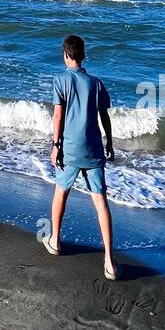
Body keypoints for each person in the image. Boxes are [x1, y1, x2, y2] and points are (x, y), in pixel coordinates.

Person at [42, 34, 117, 279]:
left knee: (61, 193)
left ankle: (55, 240)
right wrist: (110, 143)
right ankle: (109, 261)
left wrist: (55, 145)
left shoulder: (60, 80)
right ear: (83, 55)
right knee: (100, 202)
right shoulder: (96, 83)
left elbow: (58, 117)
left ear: (65, 55)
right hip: (93, 149)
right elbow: (105, 117)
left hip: (70, 150)